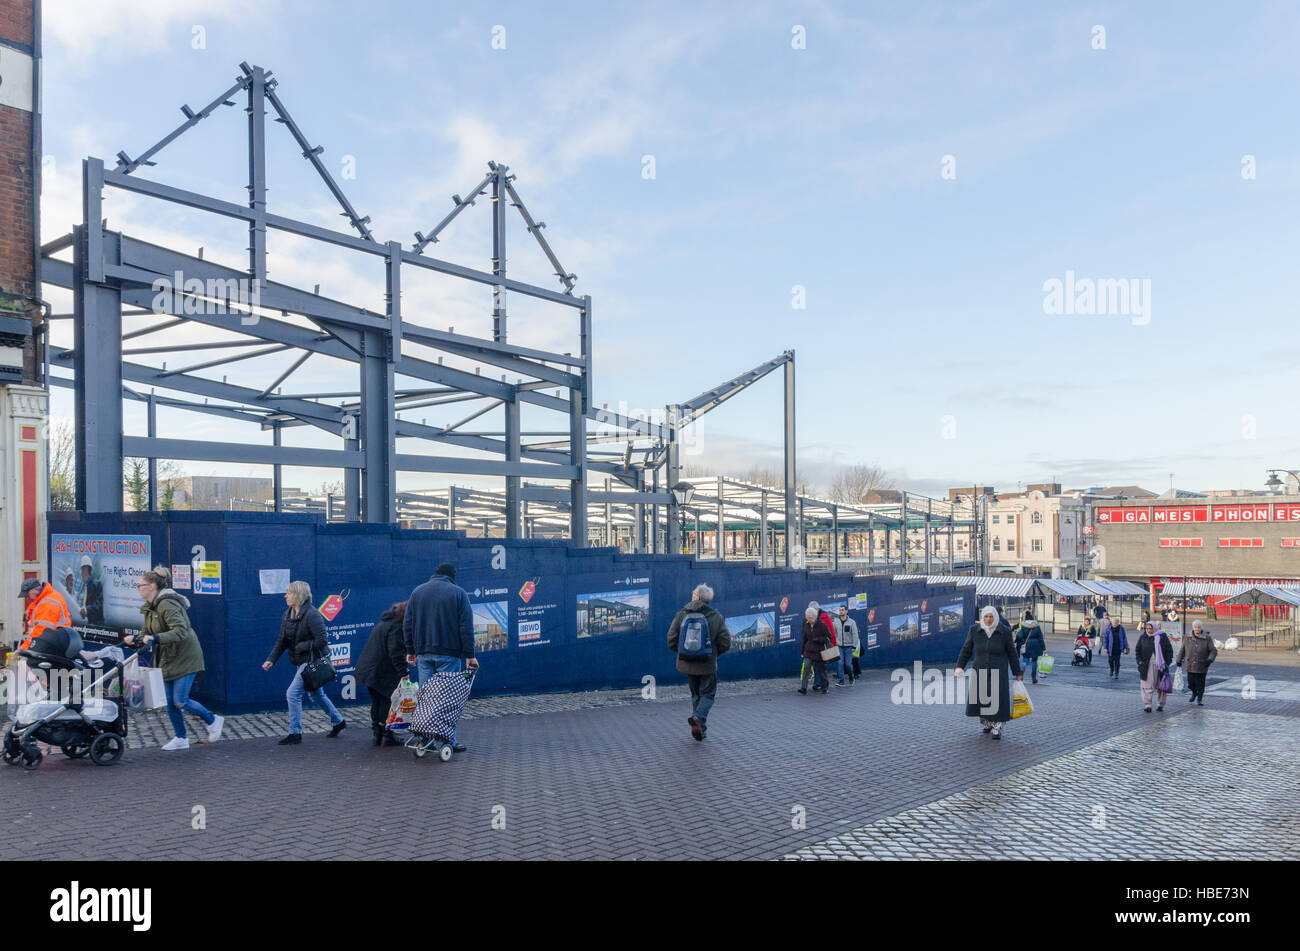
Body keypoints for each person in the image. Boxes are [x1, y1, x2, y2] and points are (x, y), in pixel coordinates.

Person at [123, 566, 223, 751]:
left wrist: (155, 638)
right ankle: (181, 738)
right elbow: (148, 633)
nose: (138, 588)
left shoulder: (167, 604)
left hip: (185, 656)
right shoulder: (149, 608)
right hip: (167, 658)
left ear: (152, 586)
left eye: (140, 585)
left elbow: (180, 631)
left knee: (180, 700)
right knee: (170, 702)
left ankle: (213, 720)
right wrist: (135, 639)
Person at [403, 563, 477, 753]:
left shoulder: (417, 592)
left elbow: (408, 624)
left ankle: (423, 736)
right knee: (447, 699)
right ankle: (447, 740)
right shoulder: (458, 593)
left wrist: (410, 650)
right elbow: (466, 627)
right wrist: (470, 655)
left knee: (426, 697)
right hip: (449, 654)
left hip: (424, 653)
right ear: (452, 576)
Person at [263, 580, 346, 745]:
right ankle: (338, 721)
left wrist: (303, 646)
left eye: (289, 593)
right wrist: (271, 659)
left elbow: (322, 640)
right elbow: (282, 641)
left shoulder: (312, 614)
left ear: (299, 595)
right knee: (317, 694)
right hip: (302, 660)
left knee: (292, 694)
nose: (286, 596)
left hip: (313, 662)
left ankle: (295, 733)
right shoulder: (287, 614)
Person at [666, 583, 732, 741]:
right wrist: (713, 654)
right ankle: (698, 718)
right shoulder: (715, 616)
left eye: (693, 592)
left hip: (687, 663)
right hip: (707, 664)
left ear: (697, 597)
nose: (692, 594)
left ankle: (700, 727)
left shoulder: (682, 614)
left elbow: (671, 639)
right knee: (708, 694)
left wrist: (684, 653)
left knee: (696, 694)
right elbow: (725, 642)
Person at [955, 605, 1023, 739]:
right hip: (980, 670)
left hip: (999, 671)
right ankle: (986, 722)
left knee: (997, 699)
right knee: (982, 698)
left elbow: (1012, 653)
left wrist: (1017, 672)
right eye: (986, 616)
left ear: (996, 617)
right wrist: (960, 666)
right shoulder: (975, 630)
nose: (988, 619)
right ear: (982, 617)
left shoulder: (1004, 631)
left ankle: (997, 727)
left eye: (991, 616)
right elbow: (966, 649)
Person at [355, 601, 411, 745]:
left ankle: (377, 735)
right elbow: (396, 651)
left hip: (369, 669)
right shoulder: (396, 627)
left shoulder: (384, 623)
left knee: (377, 701)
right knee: (386, 701)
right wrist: (403, 672)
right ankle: (387, 735)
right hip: (382, 671)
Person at [17, 577, 72, 651]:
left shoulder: (47, 604)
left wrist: (23, 649)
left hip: (57, 643)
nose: (27, 598)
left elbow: (40, 632)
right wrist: (29, 609)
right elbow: (37, 602)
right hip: (59, 637)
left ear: (35, 590)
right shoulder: (50, 595)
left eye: (27, 595)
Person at [1176, 620, 1218, 707]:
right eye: (1195, 627)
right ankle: (1194, 693)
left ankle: (1199, 698)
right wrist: (1179, 660)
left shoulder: (1207, 638)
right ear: (1193, 628)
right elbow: (1182, 649)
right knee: (1191, 683)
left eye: (1199, 627)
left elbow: (1213, 651)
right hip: (1190, 664)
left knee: (1200, 683)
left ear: (1201, 628)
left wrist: (1209, 660)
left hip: (1202, 665)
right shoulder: (1187, 637)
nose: (1197, 629)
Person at [1135, 621, 1173, 712]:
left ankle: (1160, 704)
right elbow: (1137, 650)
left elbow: (1169, 650)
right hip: (1147, 666)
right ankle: (1148, 705)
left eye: (1150, 628)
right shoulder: (1143, 637)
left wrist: (1167, 662)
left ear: (1155, 628)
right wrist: (1139, 661)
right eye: (1147, 628)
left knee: (1161, 686)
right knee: (1147, 685)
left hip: (1161, 666)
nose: (1149, 630)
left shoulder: (1162, 636)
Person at [799, 607, 833, 695]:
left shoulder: (822, 625)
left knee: (822, 671)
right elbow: (804, 639)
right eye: (807, 617)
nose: (808, 619)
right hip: (808, 651)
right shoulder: (806, 625)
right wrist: (802, 652)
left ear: (815, 617)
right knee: (806, 669)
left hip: (819, 652)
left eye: (810, 618)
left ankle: (825, 687)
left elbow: (829, 637)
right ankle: (803, 688)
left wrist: (818, 639)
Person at [1014, 610, 1047, 685]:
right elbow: (1041, 638)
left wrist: (1020, 635)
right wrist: (1044, 648)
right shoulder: (1037, 626)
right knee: (1034, 661)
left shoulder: (1023, 626)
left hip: (1027, 645)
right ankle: (1033, 677)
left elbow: (1020, 636)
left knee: (1025, 659)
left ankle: (1022, 670)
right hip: (1036, 645)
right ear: (1032, 619)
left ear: (1026, 619)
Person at [835, 605, 859, 685]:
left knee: (848, 665)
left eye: (842, 610)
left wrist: (854, 646)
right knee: (840, 663)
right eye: (840, 610)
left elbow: (855, 635)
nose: (841, 611)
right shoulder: (836, 621)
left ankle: (851, 678)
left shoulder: (852, 622)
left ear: (846, 611)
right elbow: (834, 633)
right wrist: (835, 643)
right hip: (839, 646)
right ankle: (841, 681)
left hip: (849, 647)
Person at [77, 556, 104, 628]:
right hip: (83, 625)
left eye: (83, 569)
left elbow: (99, 605)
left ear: (88, 569)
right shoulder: (82, 587)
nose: (82, 573)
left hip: (96, 626)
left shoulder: (97, 585)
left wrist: (87, 610)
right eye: (82, 569)